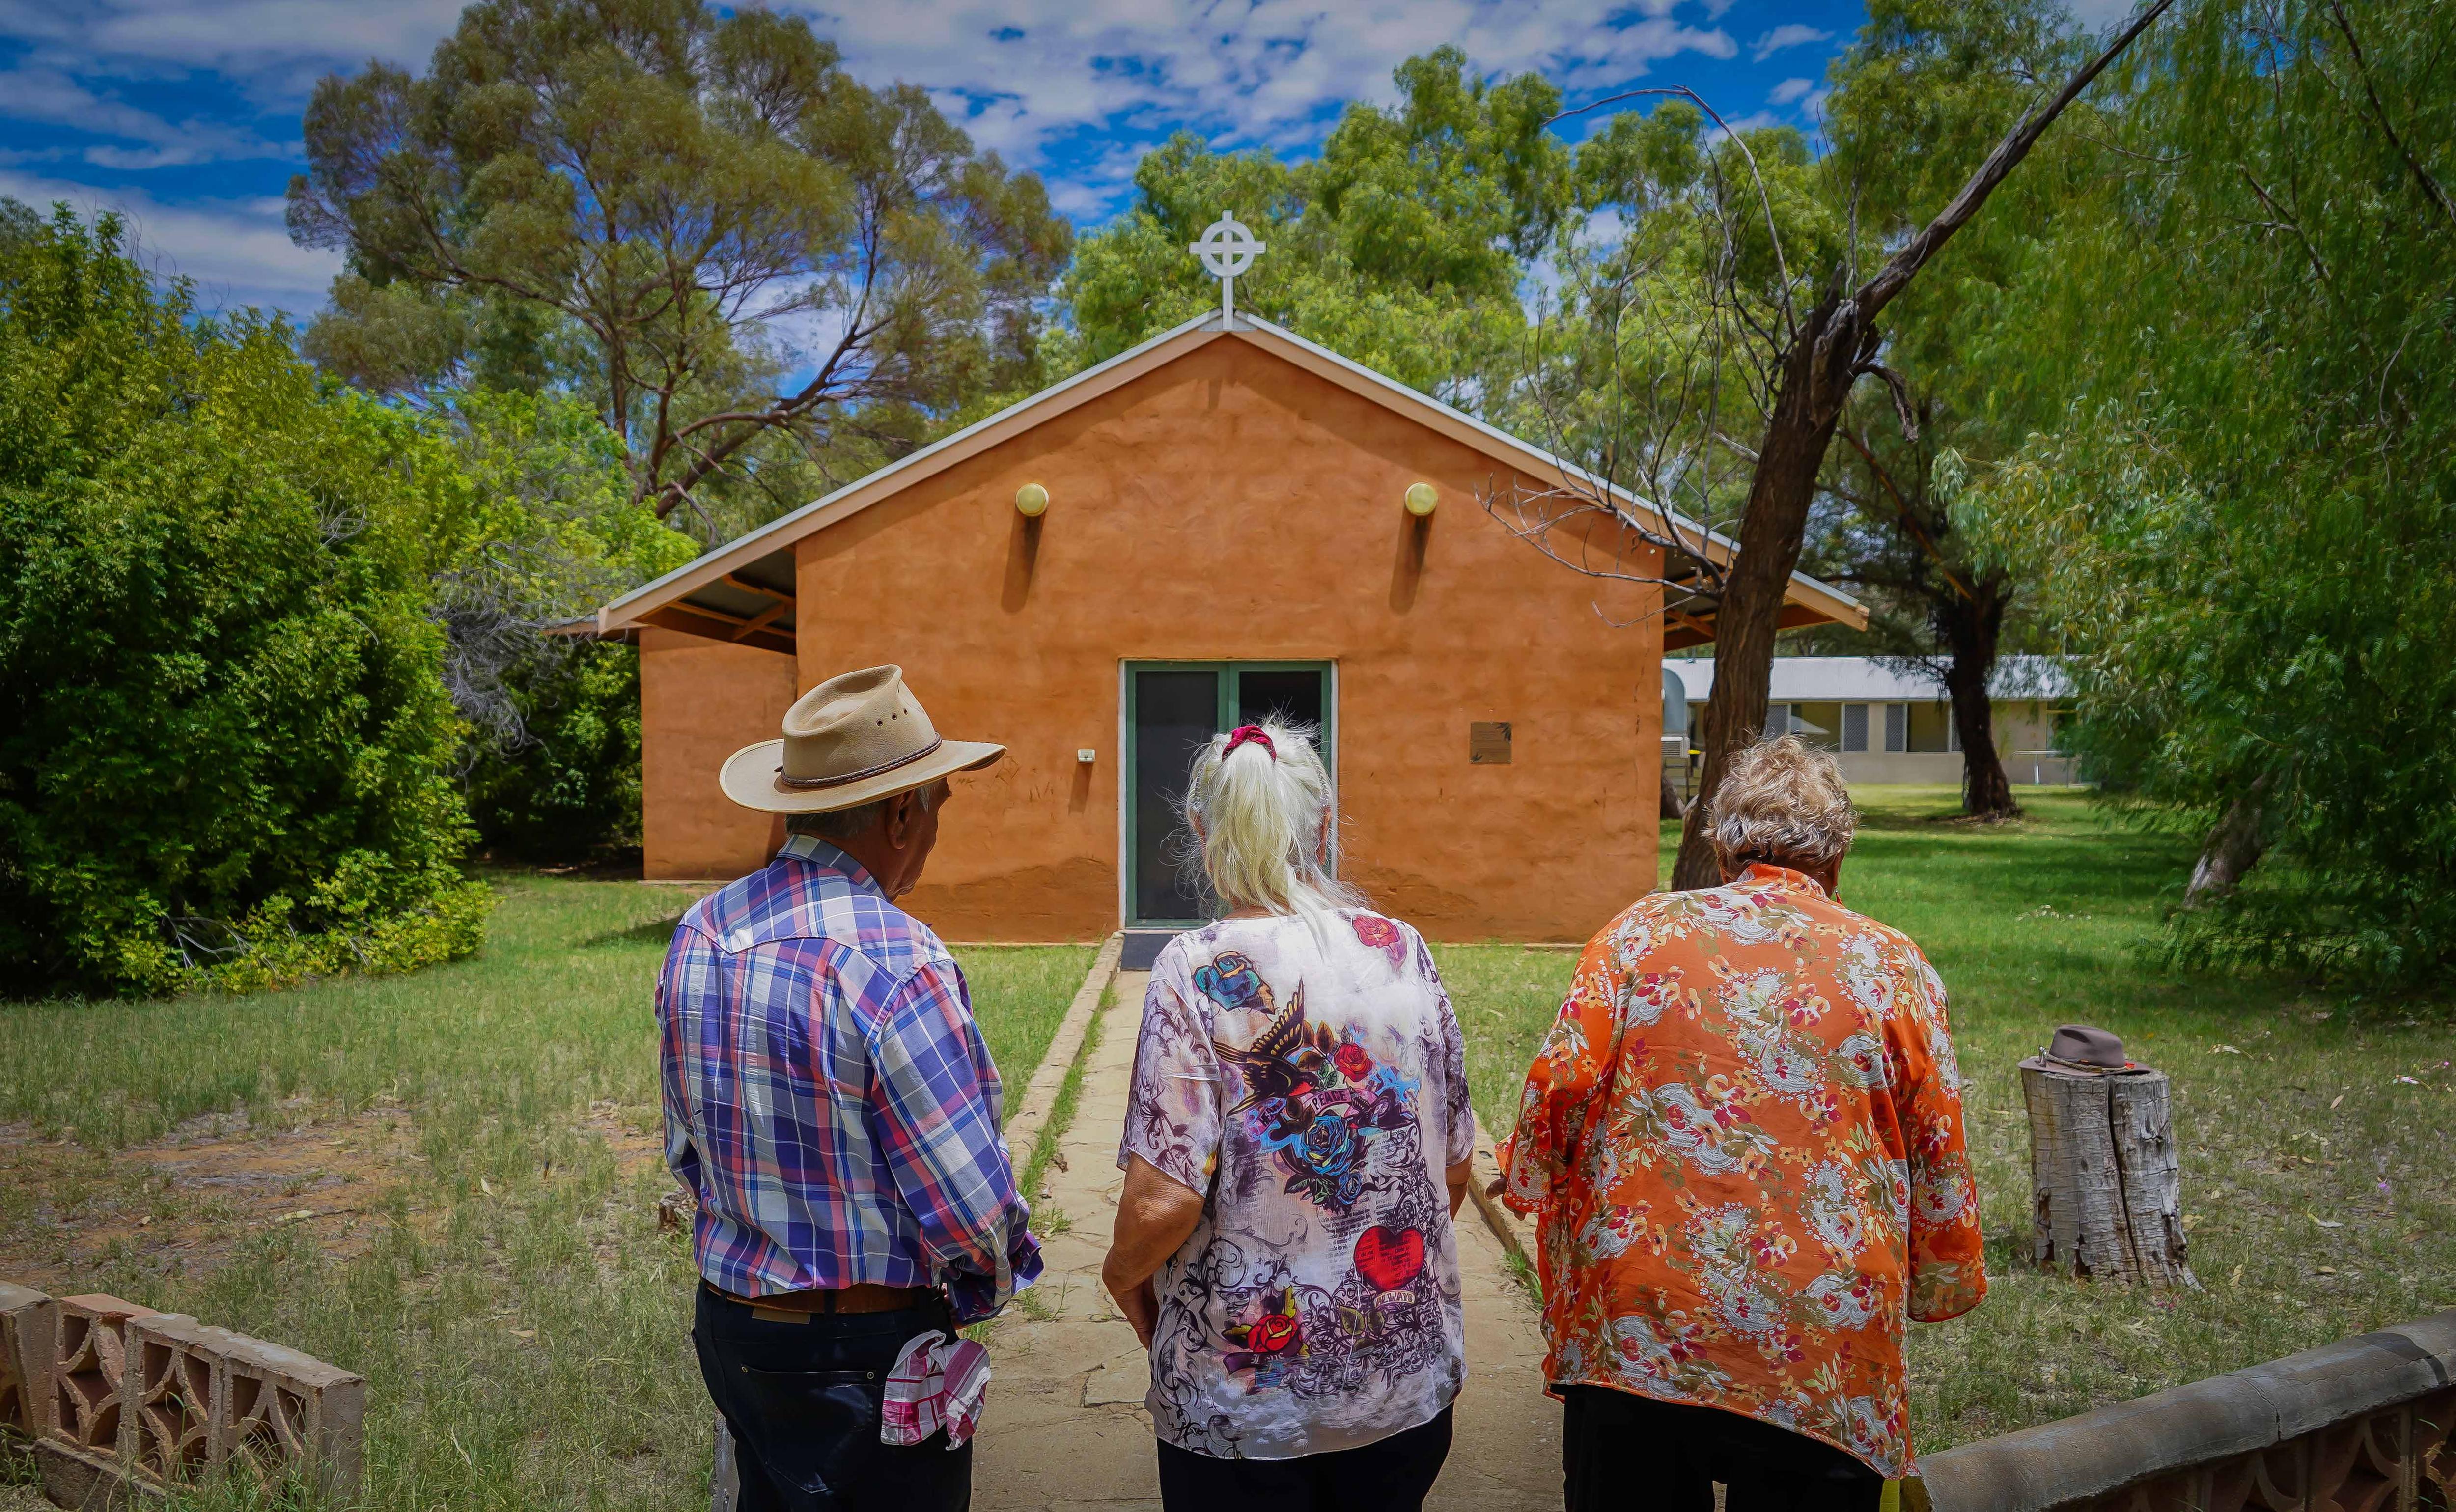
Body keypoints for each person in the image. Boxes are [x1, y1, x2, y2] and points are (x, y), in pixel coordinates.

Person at [1498, 736, 1986, 1512]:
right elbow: (1939, 1152)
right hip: (1821, 1342)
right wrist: (1942, 1274)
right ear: (1837, 859)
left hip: (1642, 1328)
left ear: (1722, 844)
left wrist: (1526, 1169)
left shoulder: (1638, 933)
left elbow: (1560, 1082)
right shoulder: (1894, 965)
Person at [658, 664, 1038, 1512]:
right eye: (937, 804)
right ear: (903, 813)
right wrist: (991, 1276)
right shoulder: (898, 958)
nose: (936, 828)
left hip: (732, 1326)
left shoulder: (702, 930)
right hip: (861, 1351)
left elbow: (686, 1145)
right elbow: (971, 1208)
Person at [1102, 721, 1478, 1512]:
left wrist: (1122, 1272)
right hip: (1399, 1392)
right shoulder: (1402, 949)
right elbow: (1450, 1172)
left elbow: (1162, 1200)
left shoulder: (1193, 968)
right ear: (1325, 822)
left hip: (1248, 1404)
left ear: (1203, 831)